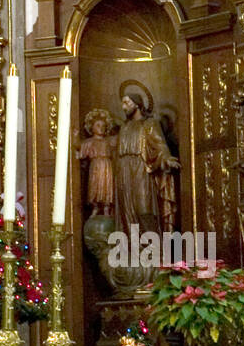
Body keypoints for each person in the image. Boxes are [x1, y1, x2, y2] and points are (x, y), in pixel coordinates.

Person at [114, 89, 178, 240]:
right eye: (122, 103)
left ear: (137, 104)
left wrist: (166, 158)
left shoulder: (149, 124)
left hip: (141, 169)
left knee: (144, 209)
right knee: (126, 213)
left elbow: (159, 145)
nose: (123, 107)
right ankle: (132, 251)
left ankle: (154, 249)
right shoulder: (124, 127)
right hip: (123, 170)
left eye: (126, 103)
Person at [76, 109, 117, 217]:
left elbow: (119, 141)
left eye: (103, 126)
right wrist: (75, 136)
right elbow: (79, 148)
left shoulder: (109, 141)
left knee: (107, 187)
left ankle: (106, 208)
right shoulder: (89, 142)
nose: (101, 128)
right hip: (95, 167)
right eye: (98, 125)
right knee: (95, 187)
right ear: (91, 127)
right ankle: (95, 207)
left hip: (107, 167)